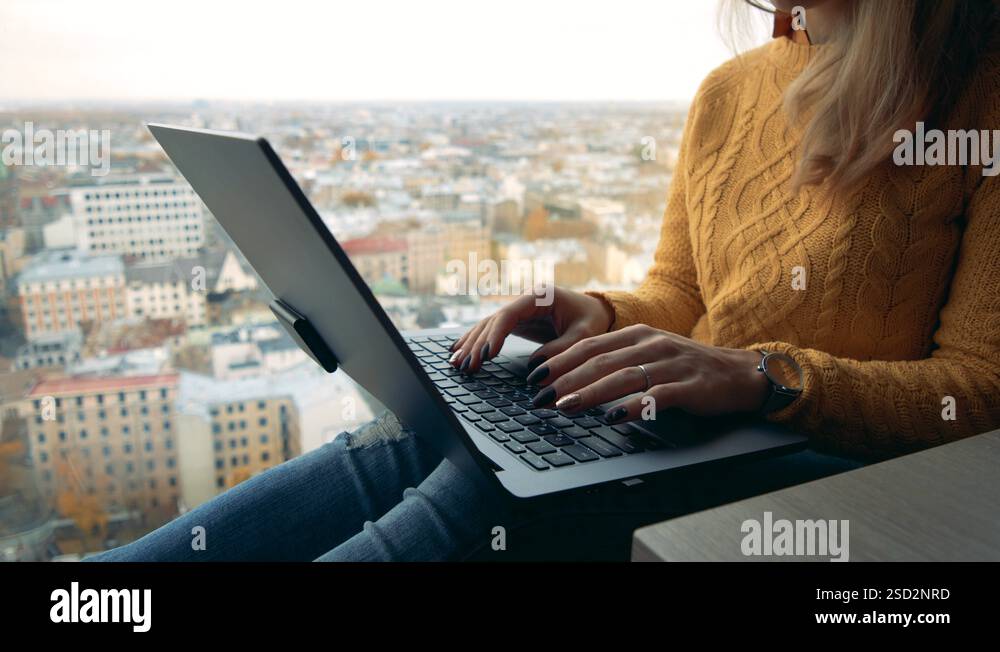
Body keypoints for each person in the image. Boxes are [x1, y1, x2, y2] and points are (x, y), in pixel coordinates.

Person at [91, 0, 1000, 562]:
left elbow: (980, 391)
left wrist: (767, 379)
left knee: (484, 487)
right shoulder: (730, 91)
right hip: (691, 421)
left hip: (816, 460)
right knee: (446, 413)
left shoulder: (980, 92)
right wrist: (594, 313)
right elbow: (684, 296)